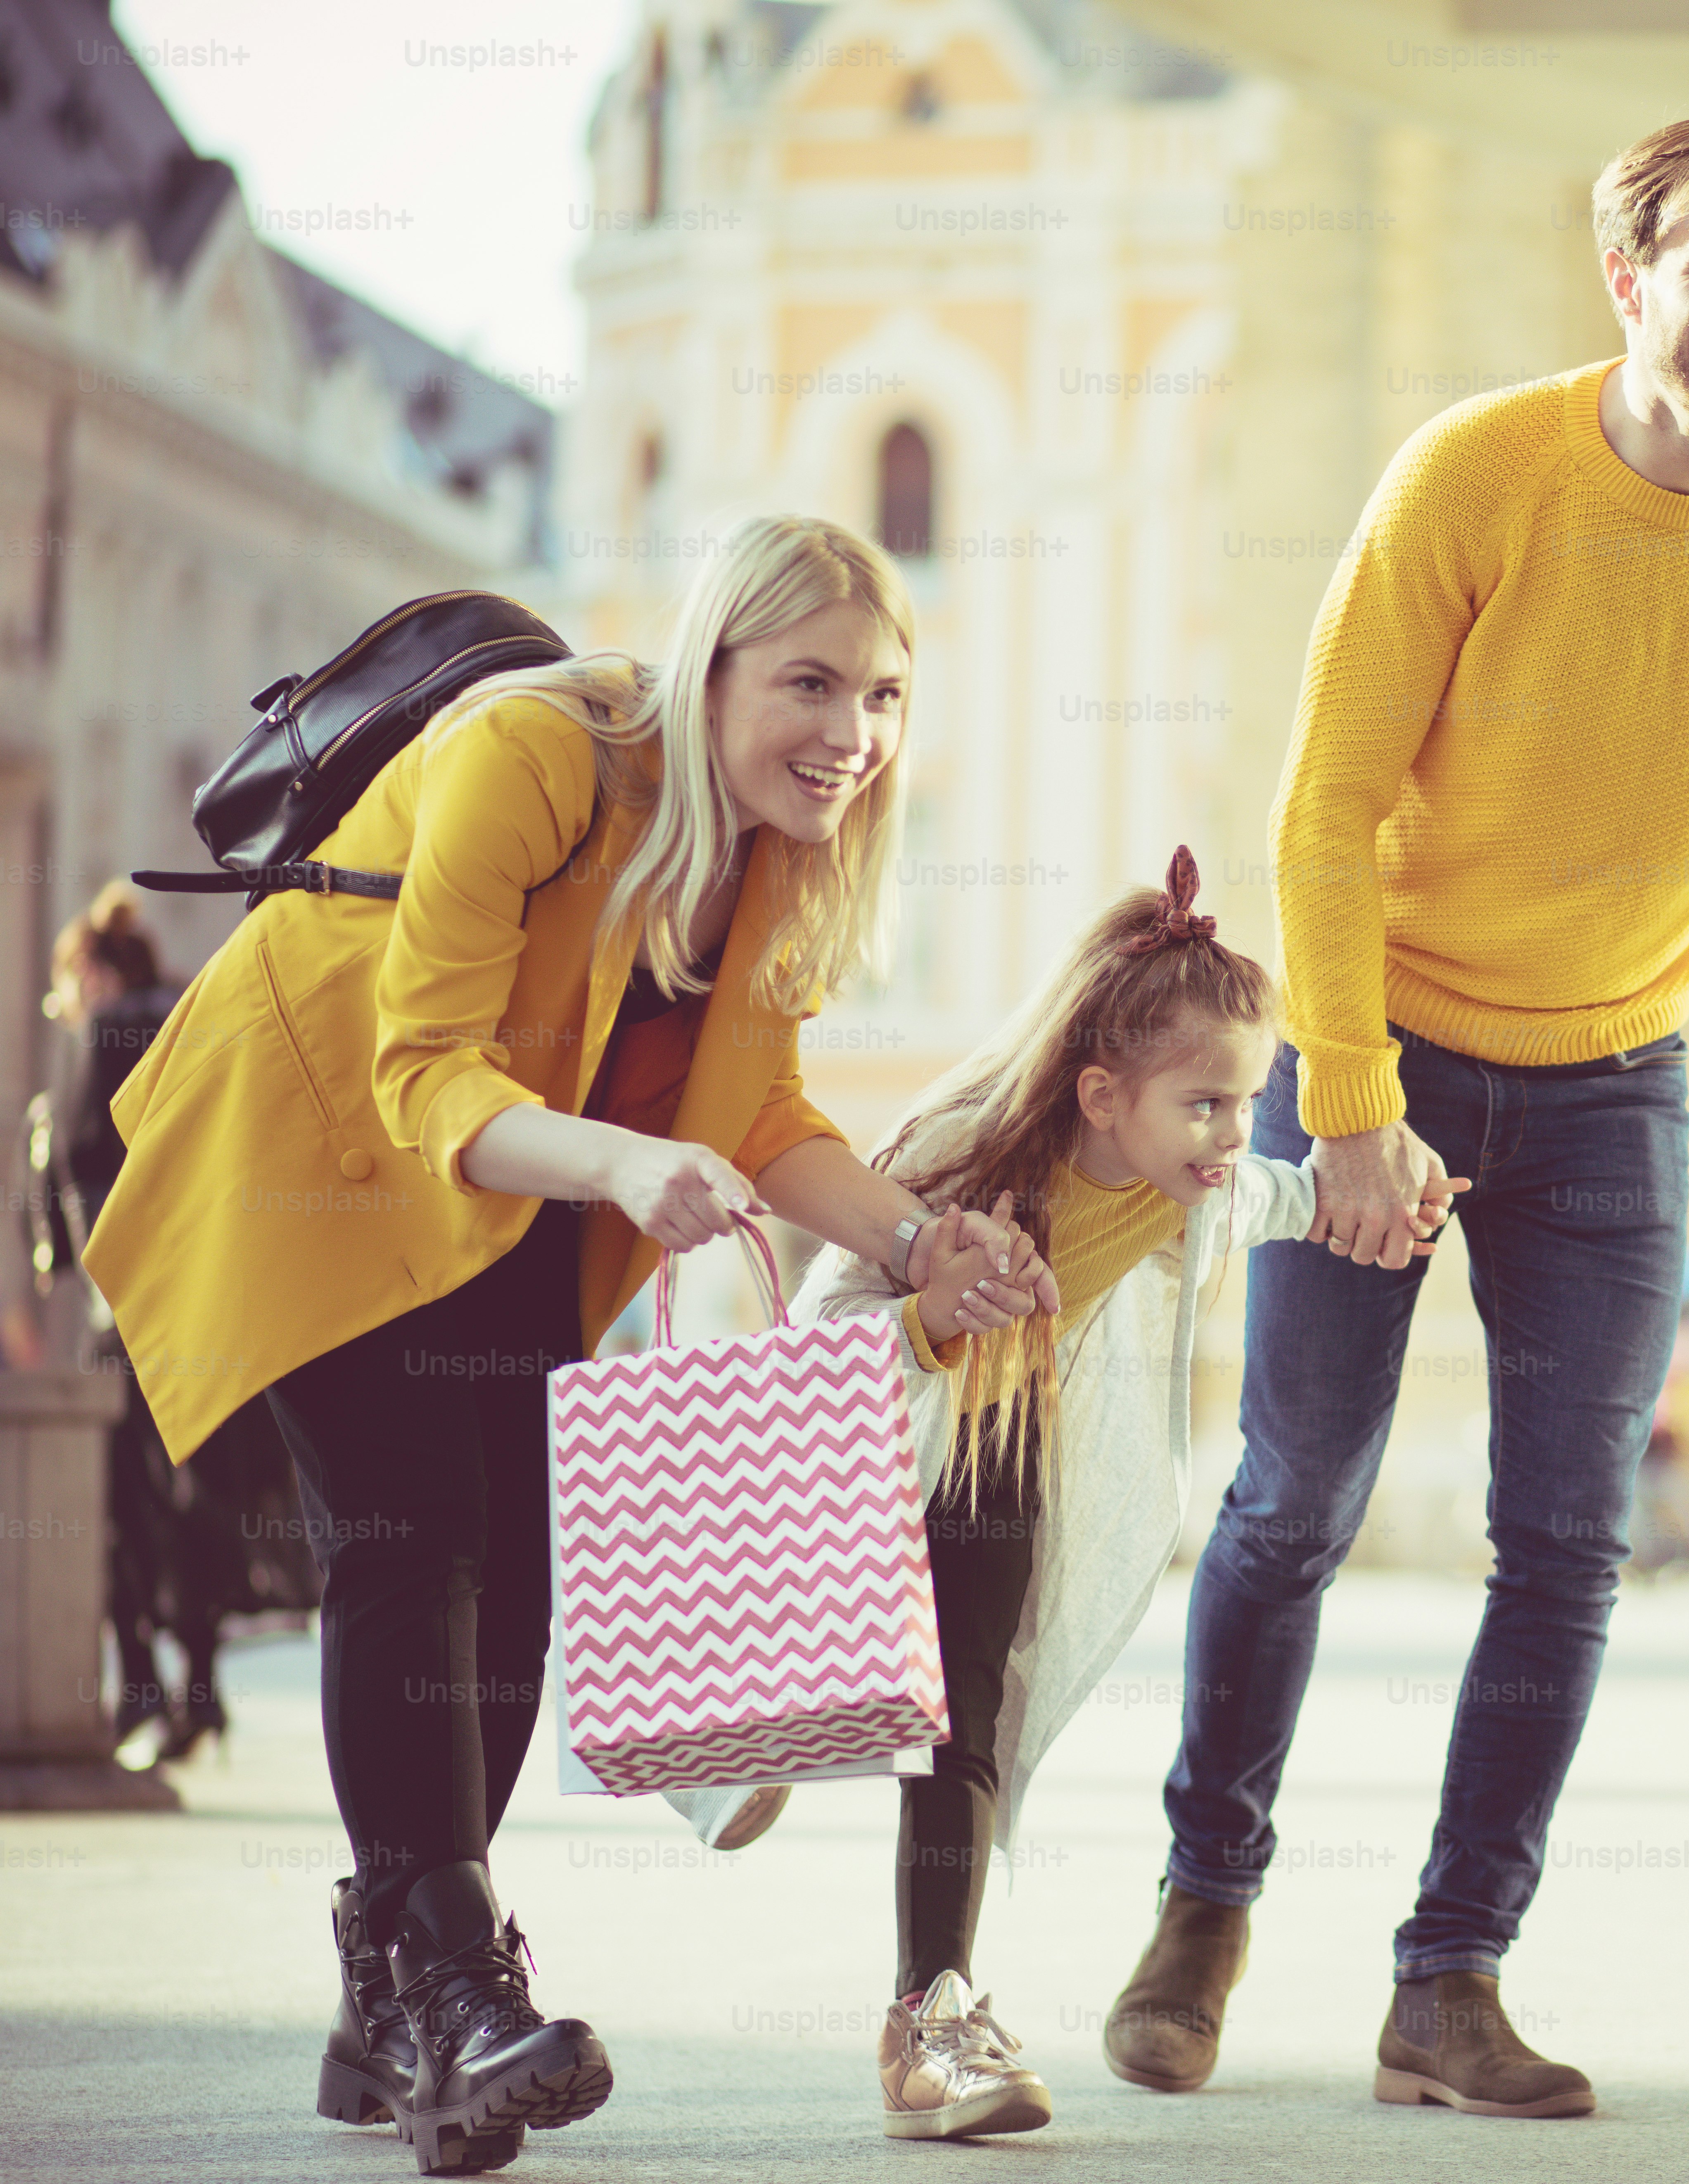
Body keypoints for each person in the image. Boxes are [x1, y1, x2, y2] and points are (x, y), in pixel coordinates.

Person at [1101, 114, 1689, 2118]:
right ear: (1624, 283)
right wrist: (1348, 1106)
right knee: (1296, 1497)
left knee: (1566, 1547)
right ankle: (1203, 1898)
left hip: (1620, 1083)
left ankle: (1448, 1977)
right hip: (1387, 1050)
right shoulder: (1472, 478)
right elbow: (1325, 810)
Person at [82, 515, 1053, 2178]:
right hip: (312, 1154)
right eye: (812, 682)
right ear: (714, 666)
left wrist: (912, 1239)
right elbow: (422, 1072)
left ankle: (396, 1968)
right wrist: (624, 1160)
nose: (856, 731)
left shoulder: (784, 851)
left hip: (514, 1198)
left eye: (886, 693)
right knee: (415, 1530)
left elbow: (759, 1112)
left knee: (519, 1569)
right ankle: (451, 1988)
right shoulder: (540, 752)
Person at [689, 847, 1455, 2142]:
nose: (1231, 1135)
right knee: (874, 1696)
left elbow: (1272, 1192)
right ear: (1104, 1093)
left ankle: (929, 2020)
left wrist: (1365, 1191)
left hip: (1002, 1454)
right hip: (895, 1450)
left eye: (1247, 1100)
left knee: (963, 1725)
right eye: (1207, 1104)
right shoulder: (963, 1160)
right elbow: (820, 1365)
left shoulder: (1184, 1181)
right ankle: (755, 1749)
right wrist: (934, 1313)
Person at [26, 882, 314, 1764]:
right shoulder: (194, 1016)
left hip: (134, 1318)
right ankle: (196, 1690)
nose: (66, 1007)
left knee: (117, 1504)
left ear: (91, 972)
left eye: (65, 989)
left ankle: (145, 1693)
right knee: (201, 1495)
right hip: (226, 1304)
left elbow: (76, 1180)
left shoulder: (102, 1037)